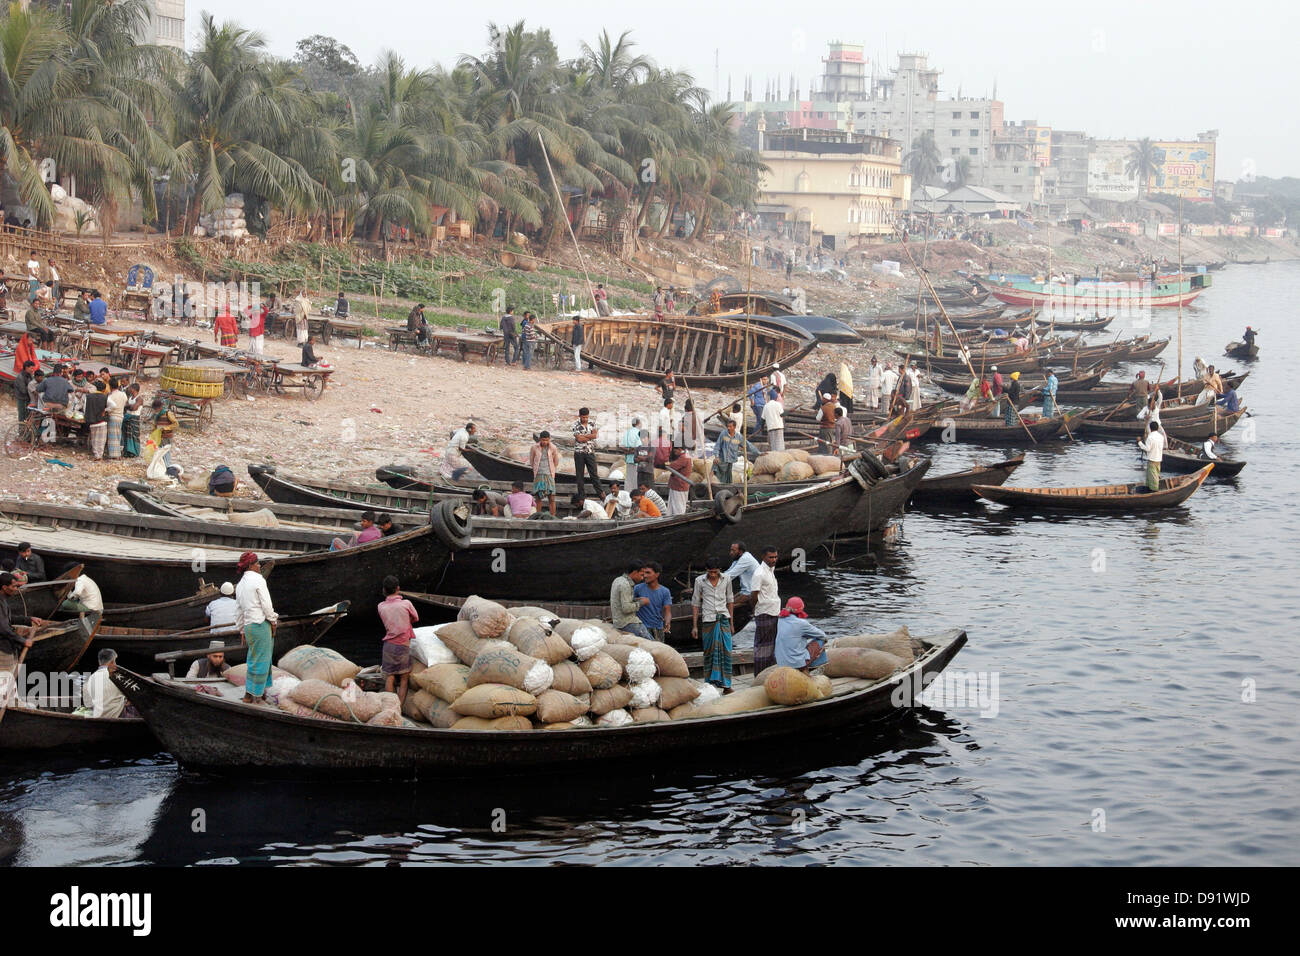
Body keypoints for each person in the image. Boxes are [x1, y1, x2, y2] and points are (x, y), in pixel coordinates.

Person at [234, 552, 277, 704]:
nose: (259, 566)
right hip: (260, 624)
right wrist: (273, 621)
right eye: (257, 563)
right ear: (251, 565)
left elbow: (238, 611)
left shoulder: (239, 585)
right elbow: (266, 605)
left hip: (249, 626)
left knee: (254, 658)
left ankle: (260, 691)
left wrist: (241, 629)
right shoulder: (258, 579)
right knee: (262, 660)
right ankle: (252, 695)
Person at [691, 557, 736, 690]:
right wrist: (694, 626)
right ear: (706, 570)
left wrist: (732, 623)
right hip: (708, 621)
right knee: (709, 652)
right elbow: (695, 603)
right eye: (710, 572)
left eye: (715, 572)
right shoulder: (699, 581)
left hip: (723, 619)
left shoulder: (726, 579)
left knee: (727, 652)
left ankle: (726, 685)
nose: (713, 575)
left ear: (719, 571)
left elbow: (730, 600)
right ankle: (710, 685)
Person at [378, 575, 417, 707]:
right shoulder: (406, 604)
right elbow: (415, 617)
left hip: (388, 645)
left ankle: (390, 706)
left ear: (384, 590)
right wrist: (406, 622)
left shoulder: (381, 606)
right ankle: (398, 707)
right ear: (398, 588)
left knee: (390, 676)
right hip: (403, 645)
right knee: (404, 677)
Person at [774, 597, 828, 672]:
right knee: (821, 640)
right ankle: (813, 666)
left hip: (781, 662)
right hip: (796, 663)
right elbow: (823, 635)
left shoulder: (780, 619)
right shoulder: (801, 623)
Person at [749, 546, 781, 673]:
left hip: (774, 611)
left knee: (772, 645)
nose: (774, 560)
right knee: (763, 646)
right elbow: (754, 595)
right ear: (763, 557)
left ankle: (770, 673)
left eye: (775, 557)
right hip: (764, 612)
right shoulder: (759, 573)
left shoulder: (770, 570)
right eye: (771, 557)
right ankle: (760, 674)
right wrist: (755, 609)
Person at [81, 649, 133, 719]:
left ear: (99, 662)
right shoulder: (118, 676)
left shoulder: (88, 680)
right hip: (117, 715)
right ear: (112, 661)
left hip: (97, 717)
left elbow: (88, 705)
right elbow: (133, 694)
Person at [611, 560, 652, 639]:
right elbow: (626, 608)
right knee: (653, 645)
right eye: (641, 575)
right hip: (627, 623)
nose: (642, 578)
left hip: (618, 622)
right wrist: (641, 602)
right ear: (635, 572)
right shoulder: (625, 585)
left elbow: (621, 600)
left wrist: (636, 599)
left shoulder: (618, 580)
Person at [634, 562, 672, 641]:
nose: (645, 576)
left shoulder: (665, 591)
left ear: (657, 574)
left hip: (658, 628)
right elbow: (629, 603)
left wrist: (667, 622)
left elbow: (667, 611)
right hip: (642, 628)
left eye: (648, 573)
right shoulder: (637, 588)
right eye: (644, 573)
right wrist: (639, 600)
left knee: (659, 652)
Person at [714, 418, 760, 484]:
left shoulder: (738, 437)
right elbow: (717, 446)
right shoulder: (723, 434)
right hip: (723, 459)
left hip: (732, 460)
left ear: (734, 427)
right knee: (716, 468)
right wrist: (716, 456)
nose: (729, 428)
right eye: (728, 426)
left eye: (730, 426)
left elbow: (748, 445)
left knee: (732, 474)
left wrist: (758, 453)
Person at [571, 407, 603, 500]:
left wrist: (584, 436)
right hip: (579, 452)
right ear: (580, 416)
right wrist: (590, 436)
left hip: (590, 452)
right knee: (579, 476)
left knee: (594, 474)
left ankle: (601, 494)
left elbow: (595, 435)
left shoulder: (592, 423)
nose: (585, 419)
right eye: (583, 417)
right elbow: (579, 439)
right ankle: (582, 497)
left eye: (586, 417)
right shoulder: (575, 425)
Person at [529, 431, 560, 516]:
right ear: (540, 439)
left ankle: (552, 516)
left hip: (549, 474)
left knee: (551, 497)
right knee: (538, 497)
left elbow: (556, 462)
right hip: (538, 474)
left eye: (546, 440)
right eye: (543, 440)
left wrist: (551, 470)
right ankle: (538, 515)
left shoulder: (553, 448)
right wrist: (536, 469)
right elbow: (532, 460)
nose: (545, 442)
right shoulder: (534, 447)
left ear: (549, 439)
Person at [1136, 420, 1165, 493]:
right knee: (1154, 475)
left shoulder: (1150, 437)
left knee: (1153, 476)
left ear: (1150, 428)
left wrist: (1139, 442)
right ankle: (1150, 488)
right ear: (1158, 428)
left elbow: (1147, 449)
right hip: (1158, 459)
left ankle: (1154, 490)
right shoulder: (1161, 437)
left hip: (1152, 459)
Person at [665, 446, 692, 516]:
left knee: (678, 508)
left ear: (680, 449)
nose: (675, 453)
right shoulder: (684, 456)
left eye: (675, 451)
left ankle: (679, 522)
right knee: (672, 507)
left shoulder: (684, 457)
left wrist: (669, 464)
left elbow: (672, 466)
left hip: (679, 486)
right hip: (676, 485)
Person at [84, 380, 108, 459]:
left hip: (92, 421)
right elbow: (113, 405)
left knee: (94, 439)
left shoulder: (89, 396)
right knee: (101, 439)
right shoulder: (105, 397)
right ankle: (99, 455)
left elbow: (85, 408)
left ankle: (95, 454)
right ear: (104, 389)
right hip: (101, 421)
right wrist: (105, 410)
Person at [122, 383, 143, 457]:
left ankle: (134, 452)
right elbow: (127, 406)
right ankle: (128, 451)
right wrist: (129, 406)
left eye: (130, 388)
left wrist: (128, 406)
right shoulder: (131, 397)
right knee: (127, 435)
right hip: (128, 417)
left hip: (134, 418)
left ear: (134, 389)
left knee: (134, 436)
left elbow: (134, 408)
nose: (129, 389)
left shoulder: (139, 398)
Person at [747, 375, 769, 439]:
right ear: (761, 379)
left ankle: (759, 433)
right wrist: (752, 402)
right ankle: (755, 435)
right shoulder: (758, 386)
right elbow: (750, 393)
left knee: (762, 420)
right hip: (758, 405)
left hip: (763, 404)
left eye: (766, 379)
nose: (765, 381)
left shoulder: (764, 386)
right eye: (764, 379)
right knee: (759, 420)